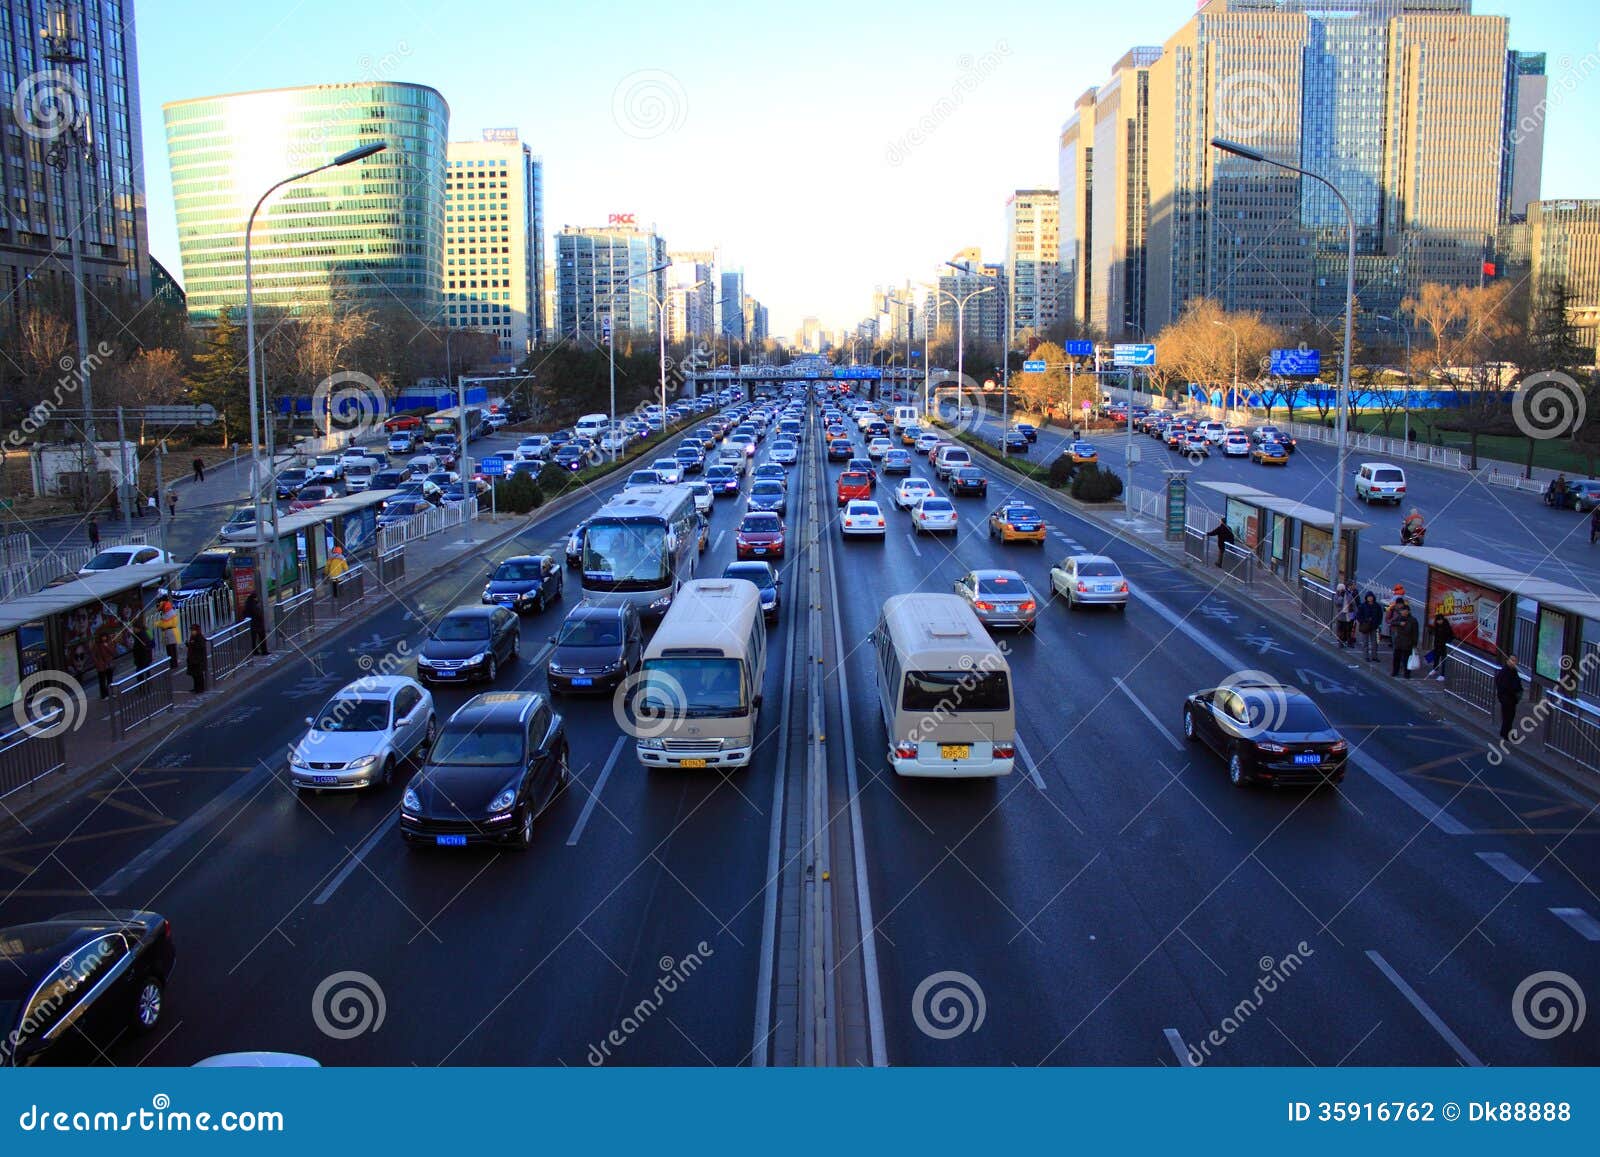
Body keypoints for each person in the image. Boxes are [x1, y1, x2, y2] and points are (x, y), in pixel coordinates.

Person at [1495, 656, 1523, 740]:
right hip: (1507, 698)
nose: (1513, 662)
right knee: (1508, 716)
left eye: (1515, 661)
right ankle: (1507, 734)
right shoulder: (1505, 671)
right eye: (1512, 660)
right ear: (1508, 660)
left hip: (1510, 698)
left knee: (1509, 716)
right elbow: (1503, 684)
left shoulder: (1512, 671)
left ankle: (1504, 732)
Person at [1391, 604, 1420, 679]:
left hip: (1408, 642)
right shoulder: (1399, 618)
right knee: (1396, 658)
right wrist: (1399, 623)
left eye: (1405, 611)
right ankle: (1395, 671)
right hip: (1399, 641)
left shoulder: (1413, 620)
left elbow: (1415, 633)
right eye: (1402, 611)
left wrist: (1414, 645)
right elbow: (1392, 622)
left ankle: (1407, 674)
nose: (1404, 612)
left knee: (1407, 659)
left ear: (1408, 611)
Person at [1427, 612, 1455, 681]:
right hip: (1437, 645)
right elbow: (1433, 633)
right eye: (1438, 620)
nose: (1439, 621)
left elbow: (1451, 636)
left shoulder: (1447, 627)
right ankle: (1435, 669)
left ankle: (1443, 674)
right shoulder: (1436, 626)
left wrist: (1447, 642)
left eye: (1440, 620)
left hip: (1444, 647)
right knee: (1436, 658)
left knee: (1443, 661)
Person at [1357, 591, 1383, 661]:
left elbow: (1380, 615)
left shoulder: (1377, 606)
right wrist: (1363, 621)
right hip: (1365, 627)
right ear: (1366, 598)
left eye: (1371, 597)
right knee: (1365, 642)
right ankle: (1366, 656)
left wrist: (1378, 623)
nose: (1370, 598)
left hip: (1374, 627)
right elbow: (1359, 616)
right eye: (1368, 597)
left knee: (1375, 642)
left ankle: (1374, 656)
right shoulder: (1362, 606)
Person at [155, 597, 180, 669]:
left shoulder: (167, 611)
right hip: (171, 631)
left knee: (170, 649)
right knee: (172, 649)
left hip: (169, 631)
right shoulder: (169, 609)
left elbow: (163, 622)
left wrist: (158, 624)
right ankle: (174, 663)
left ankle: (173, 664)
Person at [90, 631, 117, 699]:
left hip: (108, 664)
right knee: (102, 681)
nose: (104, 638)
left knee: (109, 680)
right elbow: (93, 655)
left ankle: (110, 692)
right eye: (102, 637)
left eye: (105, 637)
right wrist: (97, 663)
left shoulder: (109, 643)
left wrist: (107, 647)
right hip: (101, 665)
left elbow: (113, 653)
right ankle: (104, 695)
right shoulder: (97, 645)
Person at [185, 623, 208, 694]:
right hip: (193, 660)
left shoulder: (199, 637)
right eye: (192, 630)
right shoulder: (193, 637)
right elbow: (192, 646)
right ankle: (196, 688)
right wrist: (188, 644)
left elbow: (199, 647)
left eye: (193, 630)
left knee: (199, 675)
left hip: (198, 660)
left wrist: (192, 644)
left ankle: (200, 688)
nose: (192, 632)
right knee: (194, 675)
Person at [243, 590, 267, 656]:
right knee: (261, 637)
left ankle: (255, 651)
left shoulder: (248, 603)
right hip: (256, 623)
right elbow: (257, 613)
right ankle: (263, 651)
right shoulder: (253, 604)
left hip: (252, 623)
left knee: (253, 639)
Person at [1334, 584, 1357, 648]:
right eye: (1339, 590)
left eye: (1342, 590)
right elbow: (1337, 603)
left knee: (1349, 629)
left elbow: (1354, 604)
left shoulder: (1349, 595)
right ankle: (1341, 642)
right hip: (1341, 615)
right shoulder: (1337, 596)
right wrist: (1341, 596)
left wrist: (1356, 613)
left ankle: (1349, 642)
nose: (1341, 591)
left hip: (1349, 614)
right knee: (1341, 629)